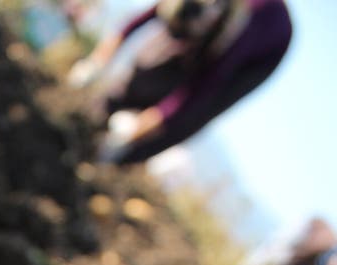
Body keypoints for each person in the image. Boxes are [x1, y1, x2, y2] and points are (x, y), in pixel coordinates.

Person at [68, 0, 293, 164]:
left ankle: (115, 159)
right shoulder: (183, 9)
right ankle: (98, 118)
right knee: (149, 62)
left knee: (181, 121)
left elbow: (199, 93)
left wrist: (135, 130)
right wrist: (97, 61)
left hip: (237, 71)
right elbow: (139, 20)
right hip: (199, 32)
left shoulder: (247, 30)